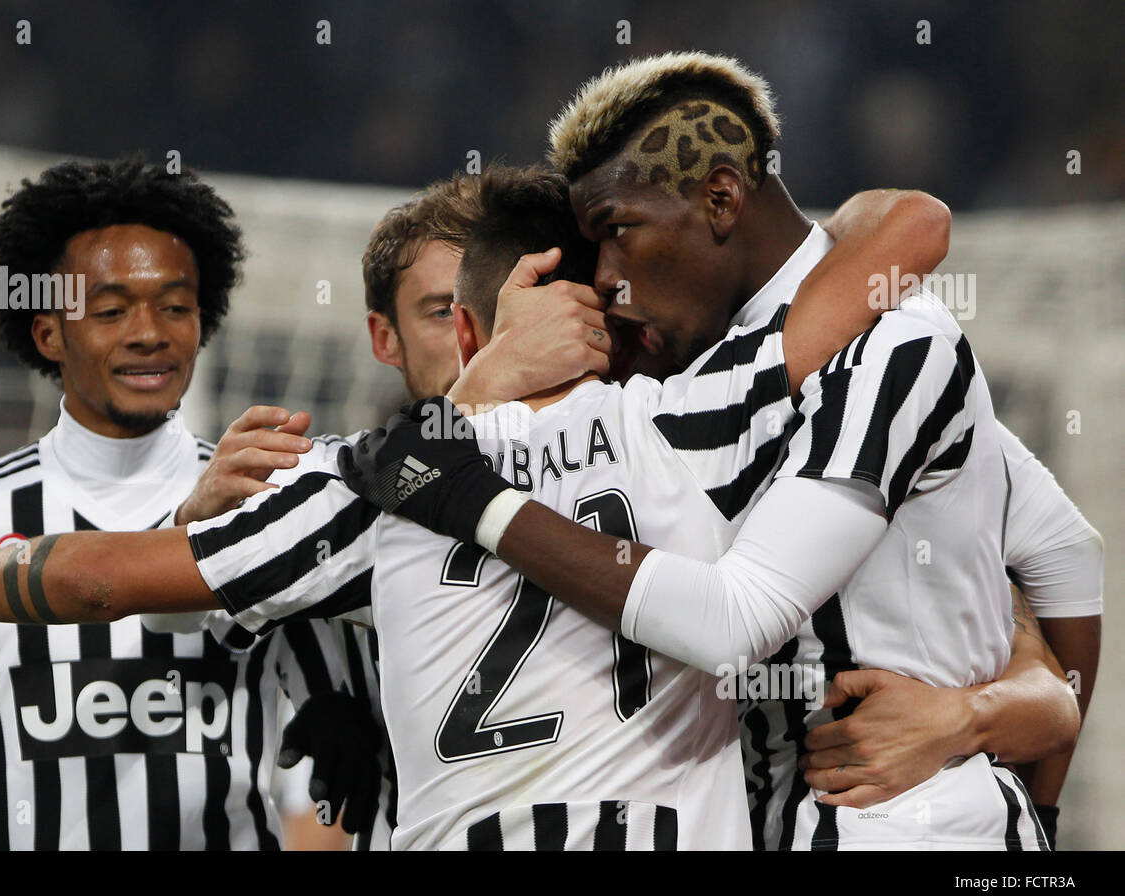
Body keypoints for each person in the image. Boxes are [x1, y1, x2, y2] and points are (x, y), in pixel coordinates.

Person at [0, 164, 962, 850]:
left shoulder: (363, 481)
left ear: (474, 325)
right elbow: (902, 228)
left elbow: (100, 579)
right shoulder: (696, 421)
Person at [343, 52, 1095, 850]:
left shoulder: (892, 338)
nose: (606, 275)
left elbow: (739, 616)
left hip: (906, 825)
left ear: (722, 198)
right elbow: (1063, 548)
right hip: (766, 820)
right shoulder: (702, 367)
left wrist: (1008, 770)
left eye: (618, 231)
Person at [0, 157, 387, 851]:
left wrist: (354, 716)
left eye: (175, 306)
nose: (149, 332)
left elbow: (341, 726)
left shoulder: (269, 498)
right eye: (111, 309)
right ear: (48, 333)